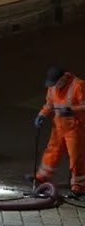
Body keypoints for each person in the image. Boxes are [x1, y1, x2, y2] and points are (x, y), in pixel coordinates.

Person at [34, 66, 84, 198]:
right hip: (58, 126)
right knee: (52, 151)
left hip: (75, 128)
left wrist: (72, 110)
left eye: (56, 83)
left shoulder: (78, 86)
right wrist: (42, 115)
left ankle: (79, 186)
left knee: (76, 156)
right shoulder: (53, 86)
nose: (54, 86)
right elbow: (49, 104)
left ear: (63, 78)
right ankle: (42, 177)